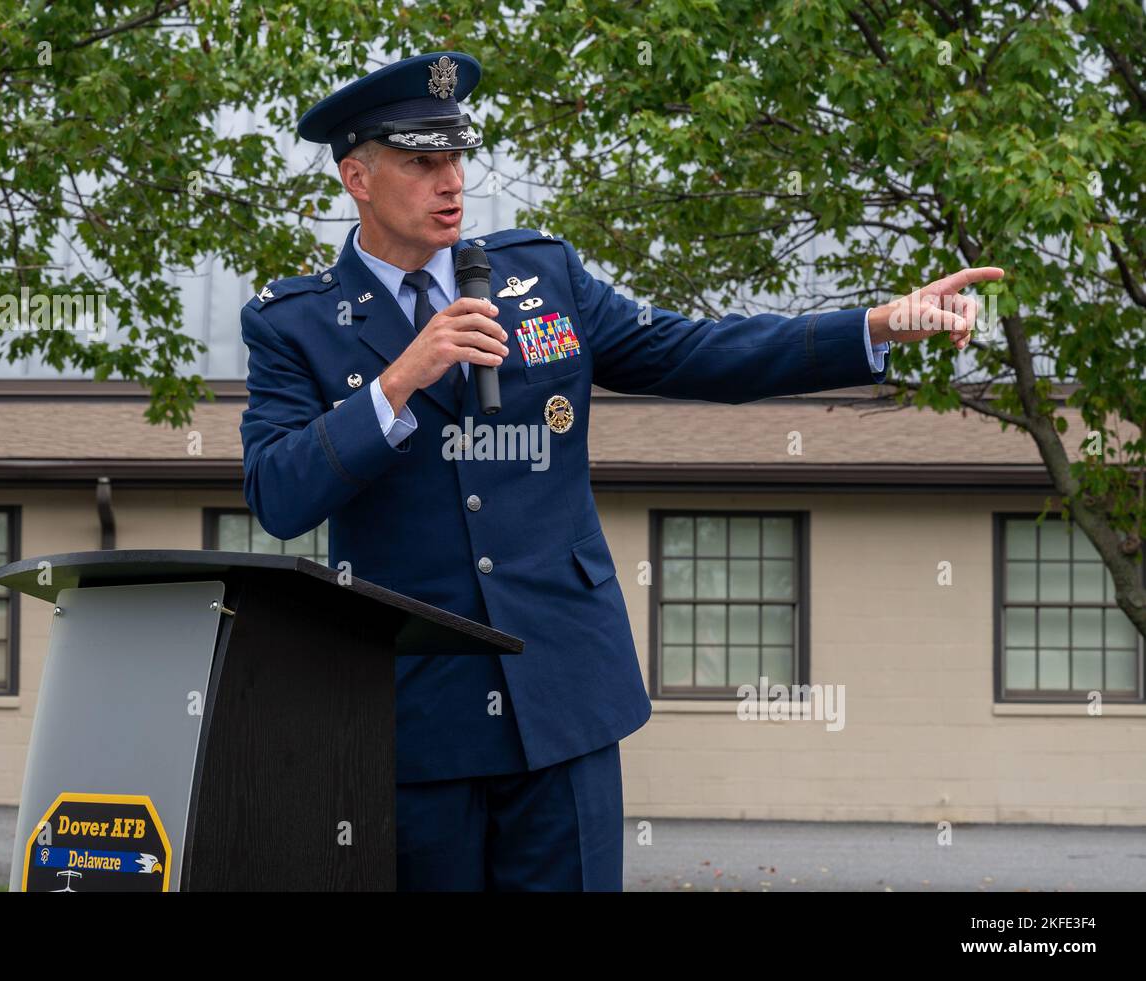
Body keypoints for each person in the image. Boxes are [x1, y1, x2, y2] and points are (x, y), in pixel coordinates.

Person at [238, 51, 1003, 891]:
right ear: (357, 176)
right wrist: (398, 380)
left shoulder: (540, 276)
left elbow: (697, 351)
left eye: (457, 157)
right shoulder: (296, 322)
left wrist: (876, 326)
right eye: (423, 163)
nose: (451, 180)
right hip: (414, 717)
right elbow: (278, 493)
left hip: (563, 697)